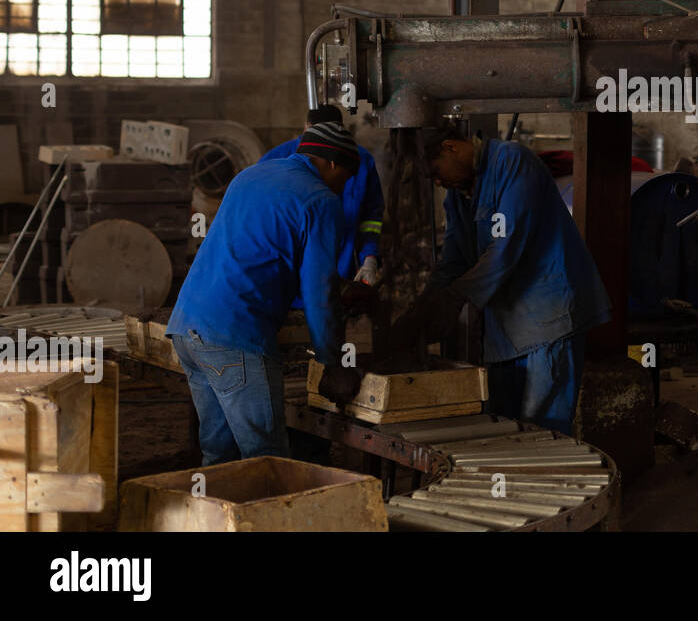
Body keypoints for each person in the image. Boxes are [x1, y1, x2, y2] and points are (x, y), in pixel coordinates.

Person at [167, 122, 364, 465]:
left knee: (219, 453)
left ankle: (215, 516)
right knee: (268, 460)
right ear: (332, 164)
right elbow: (319, 292)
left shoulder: (250, 176)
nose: (344, 187)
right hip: (233, 337)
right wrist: (331, 362)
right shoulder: (320, 200)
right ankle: (267, 518)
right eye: (346, 178)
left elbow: (257, 251)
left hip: (187, 328)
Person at [396, 124, 612, 435]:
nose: (438, 182)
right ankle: (510, 484)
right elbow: (452, 262)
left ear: (450, 148)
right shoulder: (458, 197)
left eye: (435, 171)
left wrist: (454, 298)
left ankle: (545, 483)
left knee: (542, 430)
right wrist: (425, 308)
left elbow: (505, 248)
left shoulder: (513, 162)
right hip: (504, 333)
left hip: (547, 322)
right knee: (505, 430)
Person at [260, 104, 384, 289]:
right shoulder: (275, 160)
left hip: (339, 269)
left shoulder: (360, 161)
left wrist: (369, 257)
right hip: (286, 275)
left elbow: (371, 217)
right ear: (306, 128)